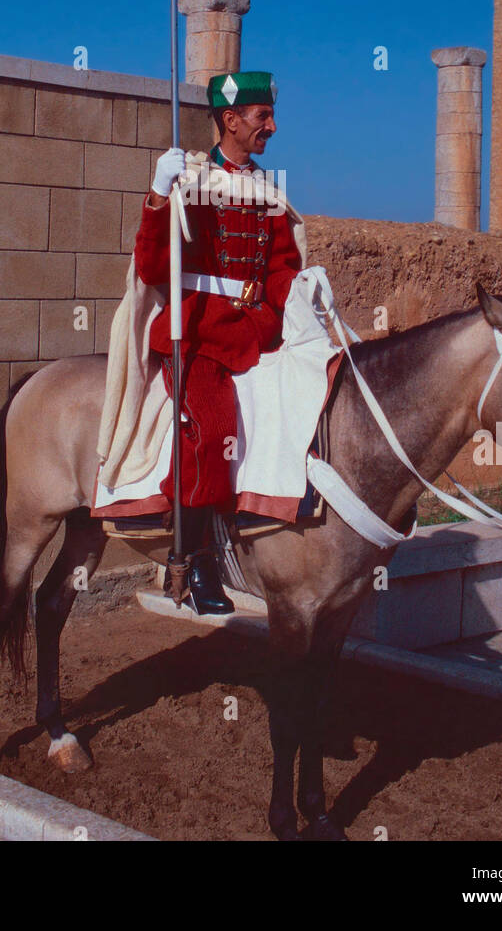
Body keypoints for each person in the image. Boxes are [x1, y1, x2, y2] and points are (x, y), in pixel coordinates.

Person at [133, 71, 302, 614]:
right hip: (198, 328)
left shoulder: (269, 190)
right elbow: (153, 265)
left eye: (270, 117)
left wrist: (294, 297)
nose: (271, 127)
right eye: (261, 117)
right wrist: (160, 195)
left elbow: (280, 265)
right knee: (212, 427)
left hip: (256, 327)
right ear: (229, 120)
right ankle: (193, 559)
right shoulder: (192, 181)